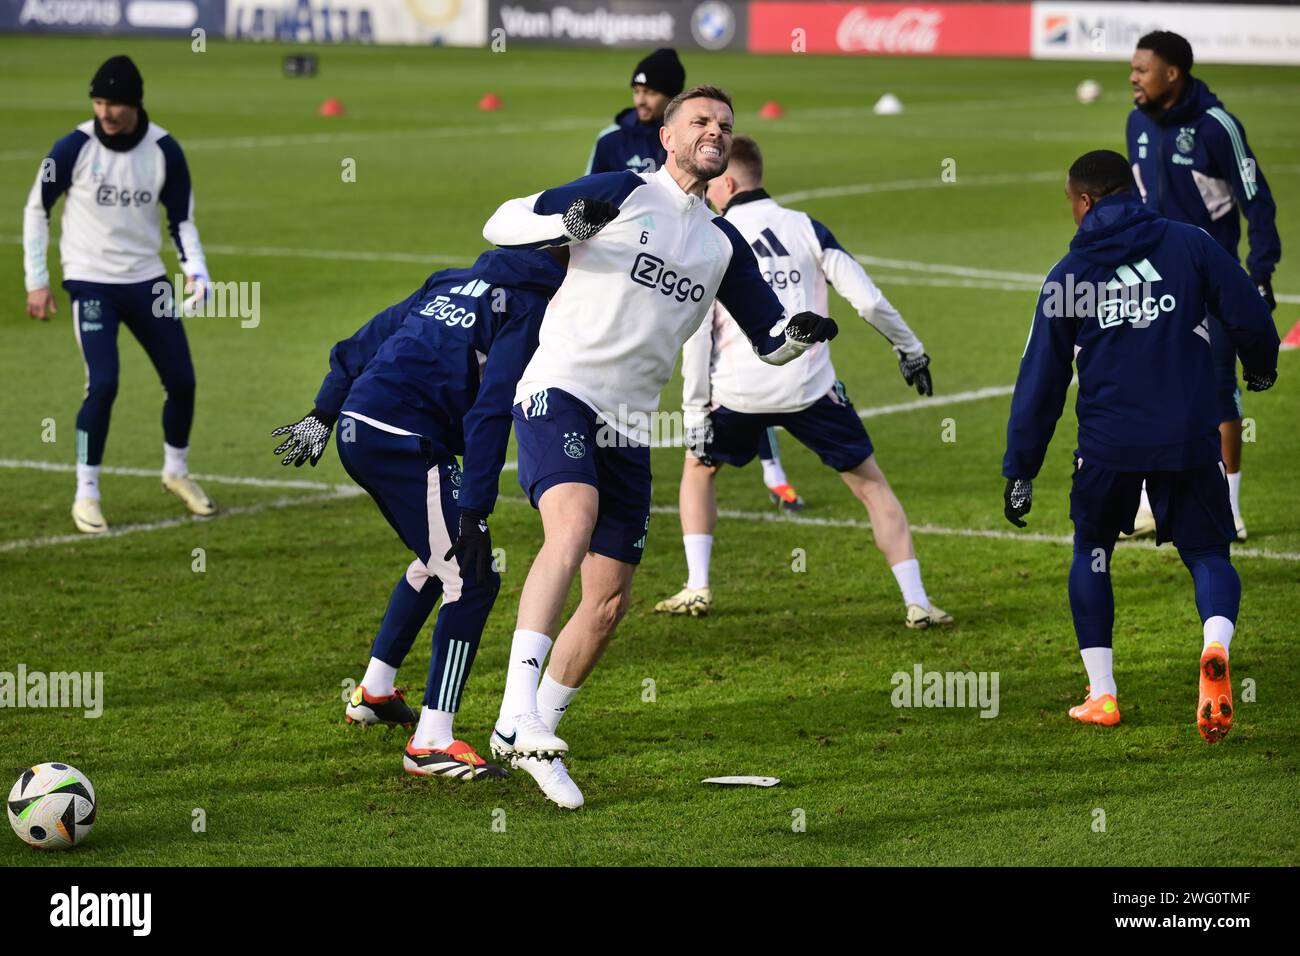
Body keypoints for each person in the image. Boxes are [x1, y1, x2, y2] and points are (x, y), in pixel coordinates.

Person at [480, 86, 838, 808]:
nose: (715, 131)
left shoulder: (721, 243)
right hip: (561, 388)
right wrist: (565, 219)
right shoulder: (623, 190)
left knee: (609, 603)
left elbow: (767, 342)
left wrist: (794, 337)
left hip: (631, 425)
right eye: (701, 121)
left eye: (725, 126)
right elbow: (500, 221)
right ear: (669, 137)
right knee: (572, 525)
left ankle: (528, 736)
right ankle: (517, 704)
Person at [1001, 150, 1278, 743]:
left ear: (1083, 202)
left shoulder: (1067, 277)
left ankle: (1102, 694)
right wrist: (1261, 366)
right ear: (1132, 189)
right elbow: (1249, 313)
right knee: (1208, 555)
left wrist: (1021, 468)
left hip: (1108, 445)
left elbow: (1040, 380)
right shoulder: (1190, 244)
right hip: (1187, 437)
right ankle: (1214, 646)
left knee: (1093, 552)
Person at [270, 248, 566, 780]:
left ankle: (375, 693)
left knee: (436, 560)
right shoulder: (529, 305)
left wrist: (323, 411)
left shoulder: (451, 279)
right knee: (472, 579)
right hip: (401, 439)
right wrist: (476, 510)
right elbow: (491, 409)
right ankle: (430, 741)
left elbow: (362, 342)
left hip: (364, 424)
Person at [655, 135, 948, 628]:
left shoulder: (713, 234)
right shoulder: (806, 228)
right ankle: (916, 600)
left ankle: (697, 585)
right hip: (809, 390)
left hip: (736, 393)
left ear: (727, 180)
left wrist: (692, 411)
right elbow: (869, 301)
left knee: (698, 471)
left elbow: (698, 331)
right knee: (873, 488)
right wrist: (910, 350)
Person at [585, 49, 805, 509]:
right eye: (636, 90)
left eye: (650, 91)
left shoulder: (699, 156)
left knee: (725, 357)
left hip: (689, 260)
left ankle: (767, 465)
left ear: (670, 96)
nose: (640, 98)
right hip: (627, 275)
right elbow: (588, 203)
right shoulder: (613, 141)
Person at [23, 54, 216, 533]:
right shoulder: (72, 148)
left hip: (147, 280)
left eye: (115, 104)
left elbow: (182, 221)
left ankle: (176, 471)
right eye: (99, 101)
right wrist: (37, 279)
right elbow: (36, 208)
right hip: (90, 281)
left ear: (136, 104)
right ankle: (86, 493)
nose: (105, 112)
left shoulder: (165, 151)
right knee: (104, 383)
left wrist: (197, 272)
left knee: (183, 381)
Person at [1126, 30, 1281, 540]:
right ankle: (1150, 503)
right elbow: (1139, 201)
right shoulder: (1136, 124)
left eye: (1142, 69)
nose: (1133, 77)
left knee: (1217, 386)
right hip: (1150, 279)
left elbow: (1256, 200)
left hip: (1212, 278)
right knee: (1147, 383)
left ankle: (1229, 508)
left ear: (1173, 74)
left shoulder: (1217, 126)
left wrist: (1259, 274)